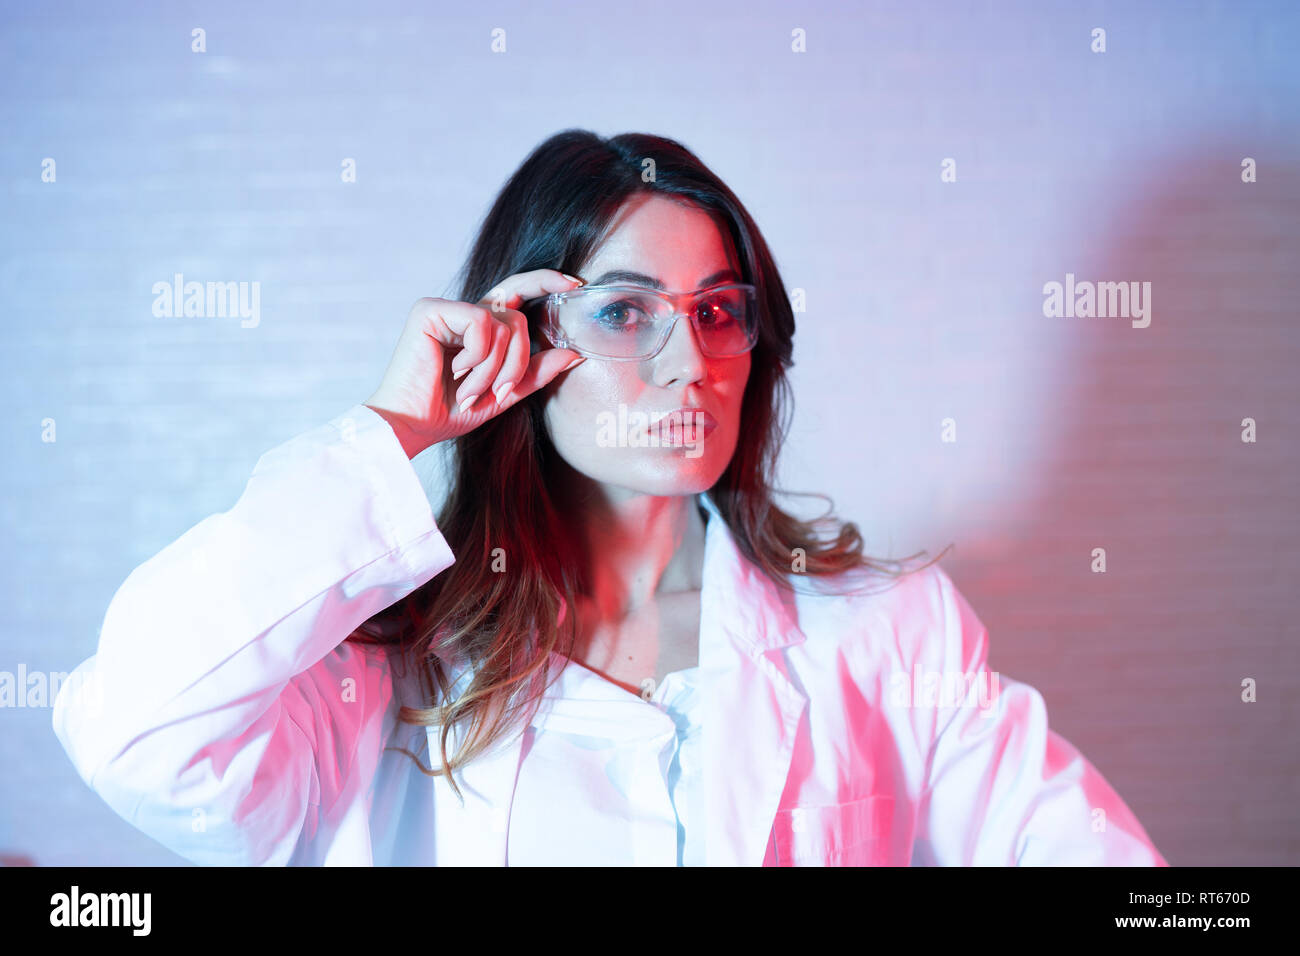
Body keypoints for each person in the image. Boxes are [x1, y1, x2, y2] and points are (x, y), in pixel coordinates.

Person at [52, 129, 1168, 866]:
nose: (691, 361)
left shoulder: (886, 631)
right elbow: (133, 730)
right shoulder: (380, 666)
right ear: (521, 338)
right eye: (627, 311)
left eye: (720, 309)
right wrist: (395, 431)